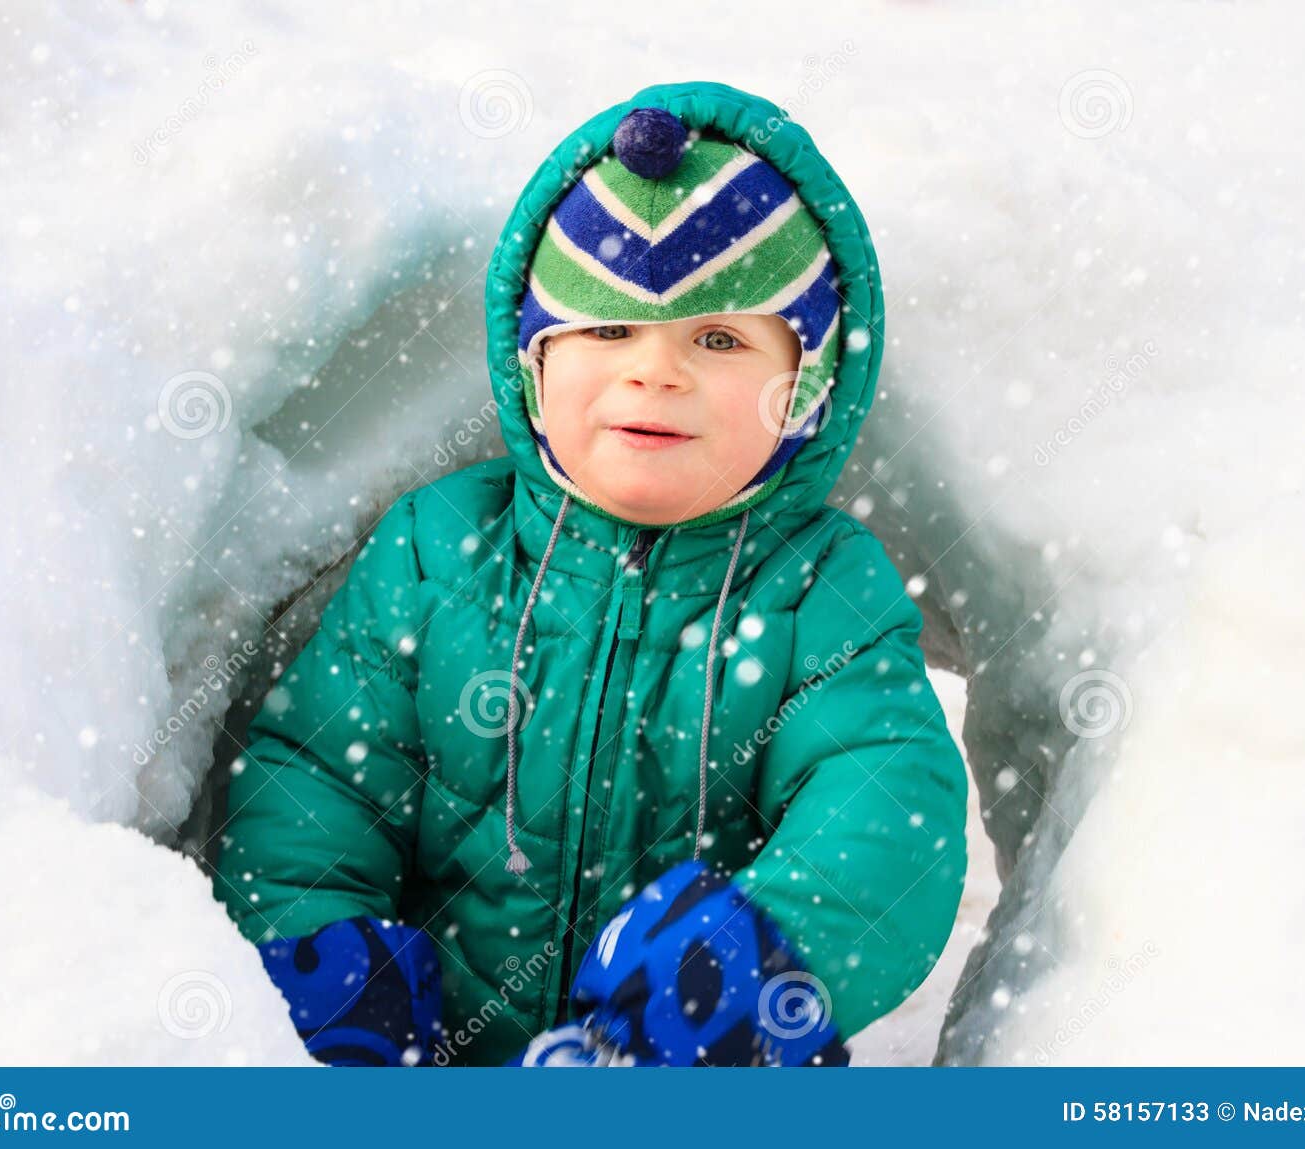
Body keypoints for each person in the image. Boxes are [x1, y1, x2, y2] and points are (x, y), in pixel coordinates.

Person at [210, 80, 968, 1067]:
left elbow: (883, 814)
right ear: (531, 368)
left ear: (807, 390)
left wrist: (730, 978)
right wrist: (331, 963)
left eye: (721, 338)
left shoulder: (823, 590)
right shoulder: (437, 548)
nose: (654, 372)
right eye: (608, 330)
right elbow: (318, 777)